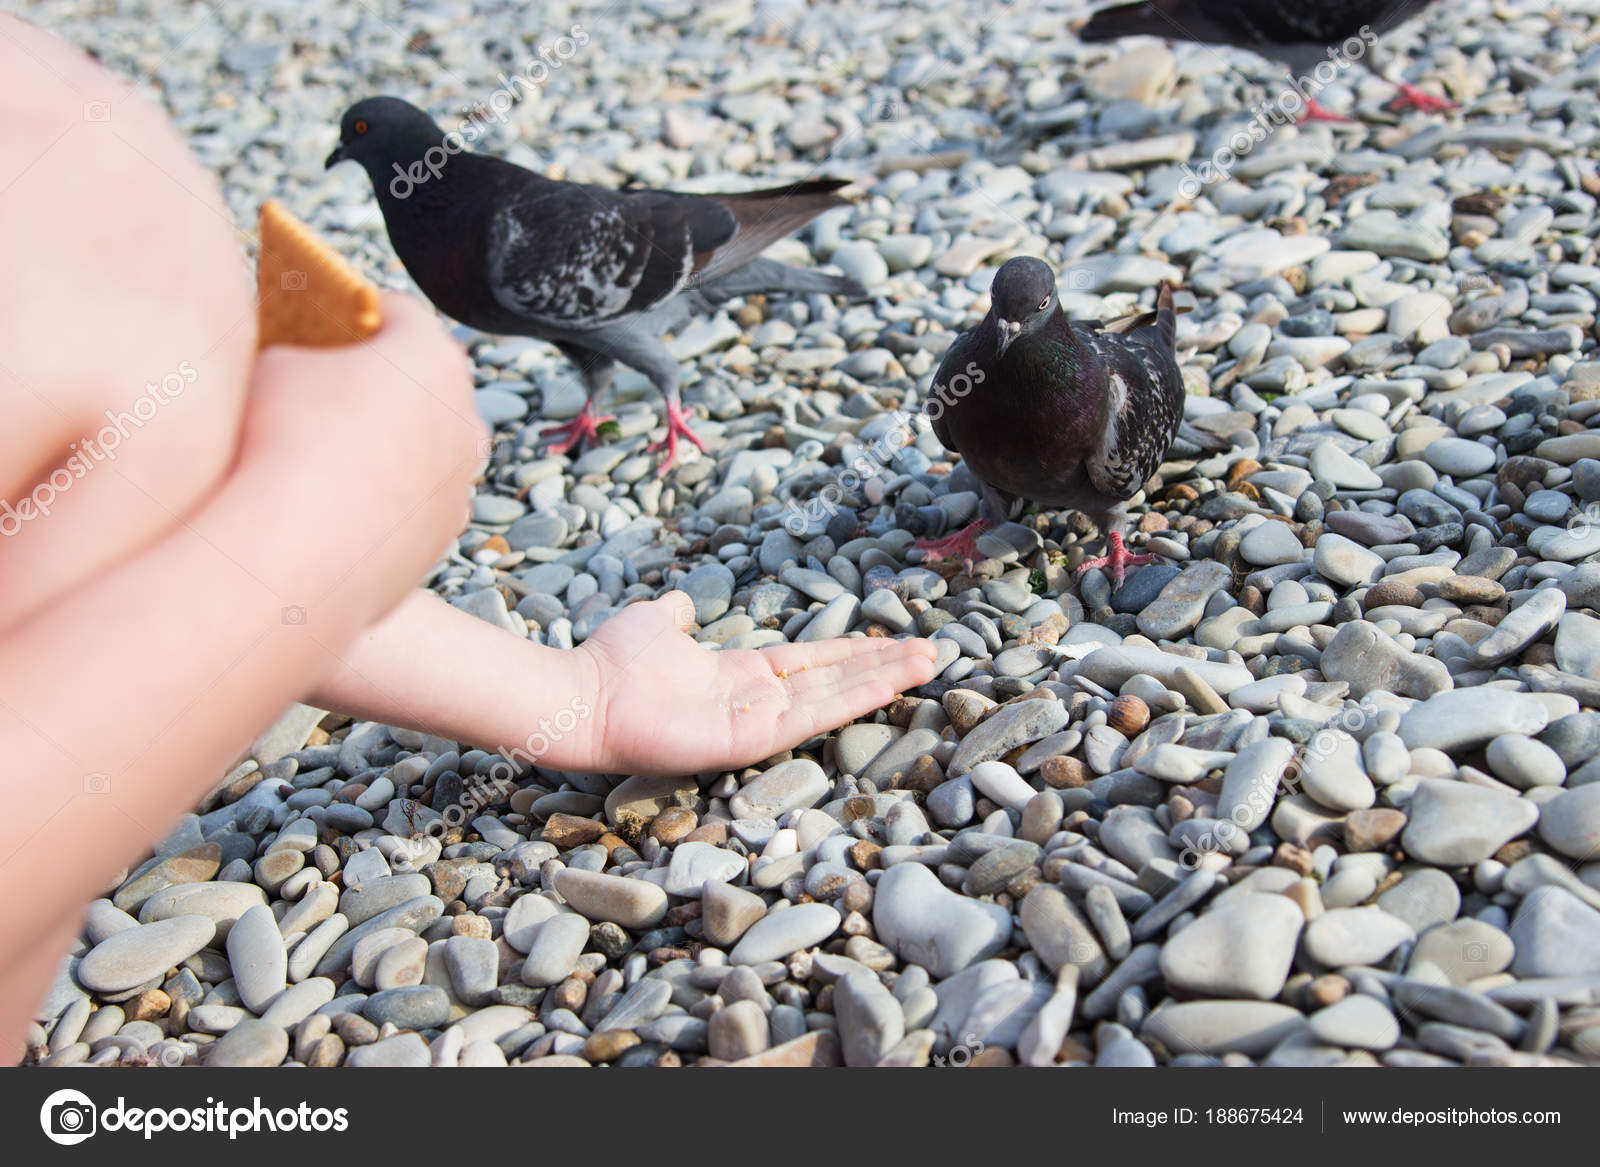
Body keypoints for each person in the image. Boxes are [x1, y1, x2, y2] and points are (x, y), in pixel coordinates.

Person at [0, 16, 937, 1057]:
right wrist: (303, 531)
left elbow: (141, 579)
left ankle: (641, 403)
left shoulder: (497, 226)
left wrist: (567, 701)